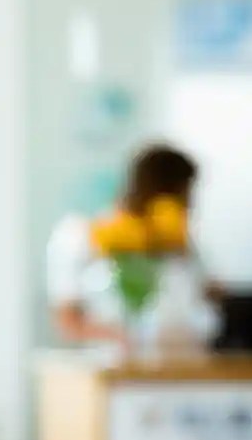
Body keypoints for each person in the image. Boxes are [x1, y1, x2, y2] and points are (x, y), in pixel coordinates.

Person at [46, 143, 213, 346]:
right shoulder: (83, 236)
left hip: (183, 364)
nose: (190, 204)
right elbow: (68, 321)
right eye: (185, 193)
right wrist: (127, 339)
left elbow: (207, 296)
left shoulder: (181, 244)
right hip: (113, 366)